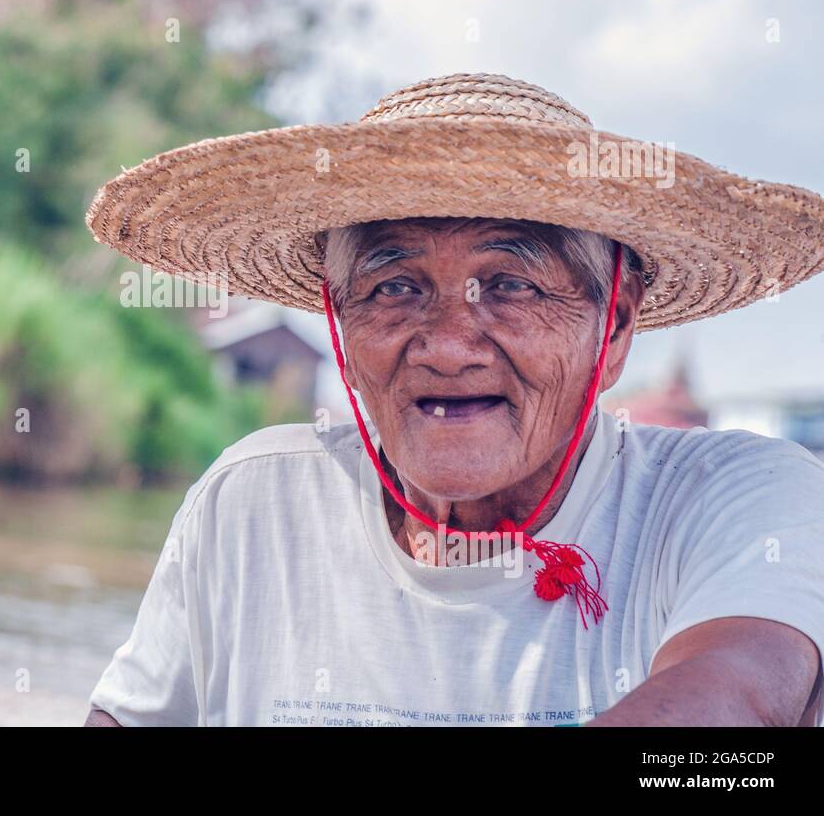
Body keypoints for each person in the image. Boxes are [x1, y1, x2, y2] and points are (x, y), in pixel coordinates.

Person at [81, 73, 824, 726]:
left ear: (616, 327)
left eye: (512, 286)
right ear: (339, 319)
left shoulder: (734, 498)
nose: (446, 344)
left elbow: (741, 711)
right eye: (394, 288)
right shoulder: (250, 505)